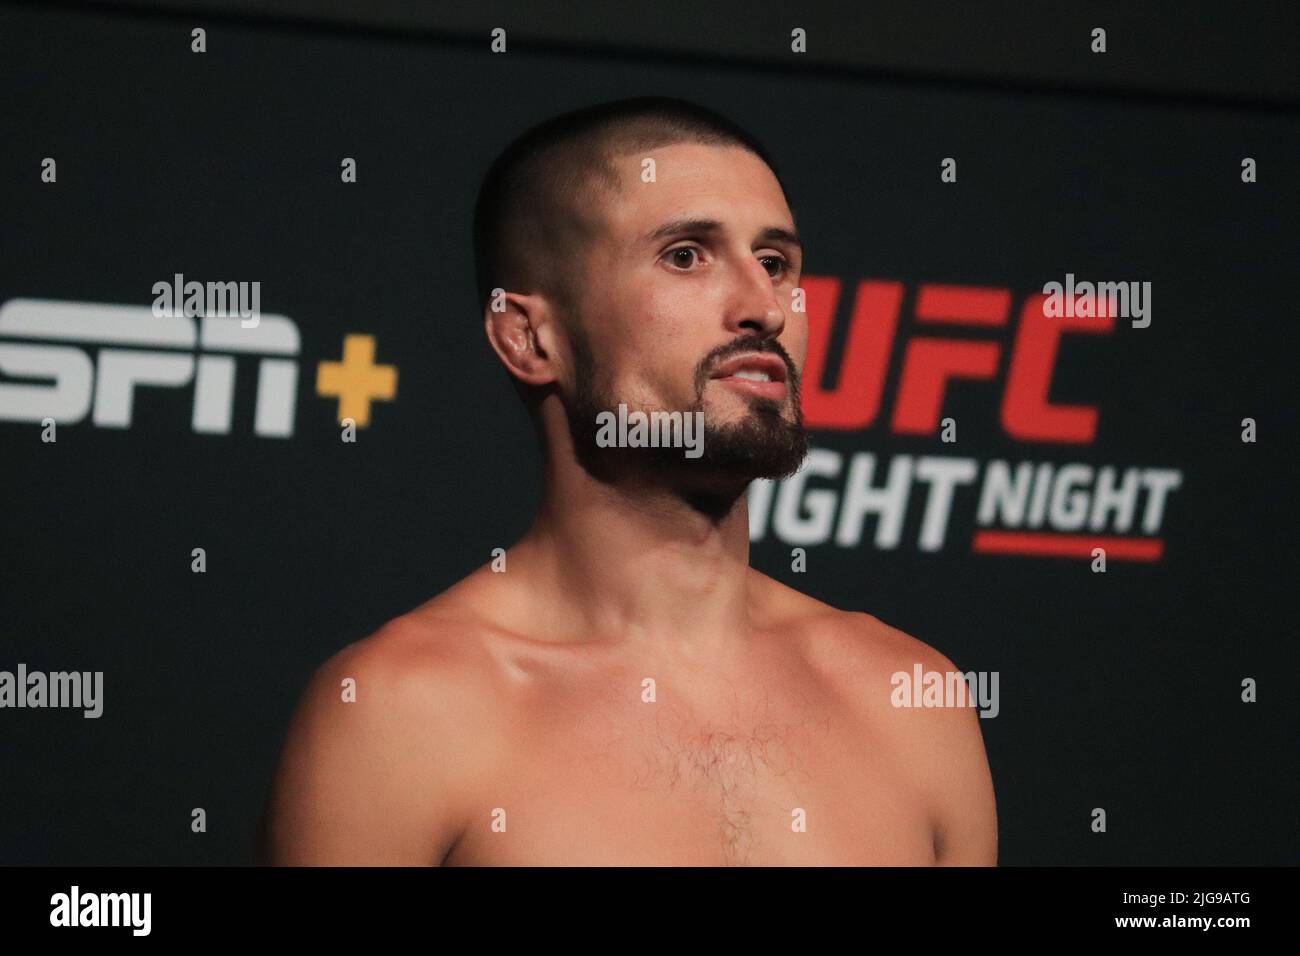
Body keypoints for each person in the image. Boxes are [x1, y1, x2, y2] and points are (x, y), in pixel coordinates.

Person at [261, 97, 997, 866]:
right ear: (528, 337)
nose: (763, 307)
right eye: (686, 255)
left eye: (776, 263)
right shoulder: (399, 713)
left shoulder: (909, 698)